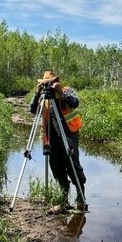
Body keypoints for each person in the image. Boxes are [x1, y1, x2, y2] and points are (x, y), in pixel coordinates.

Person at [29, 70, 87, 210]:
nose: (48, 86)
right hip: (51, 136)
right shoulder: (44, 97)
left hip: (68, 133)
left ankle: (80, 197)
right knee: (56, 166)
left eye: (50, 83)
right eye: (45, 84)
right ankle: (63, 199)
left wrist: (61, 92)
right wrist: (37, 94)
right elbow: (32, 109)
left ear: (56, 81)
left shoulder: (66, 90)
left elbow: (75, 103)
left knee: (72, 163)